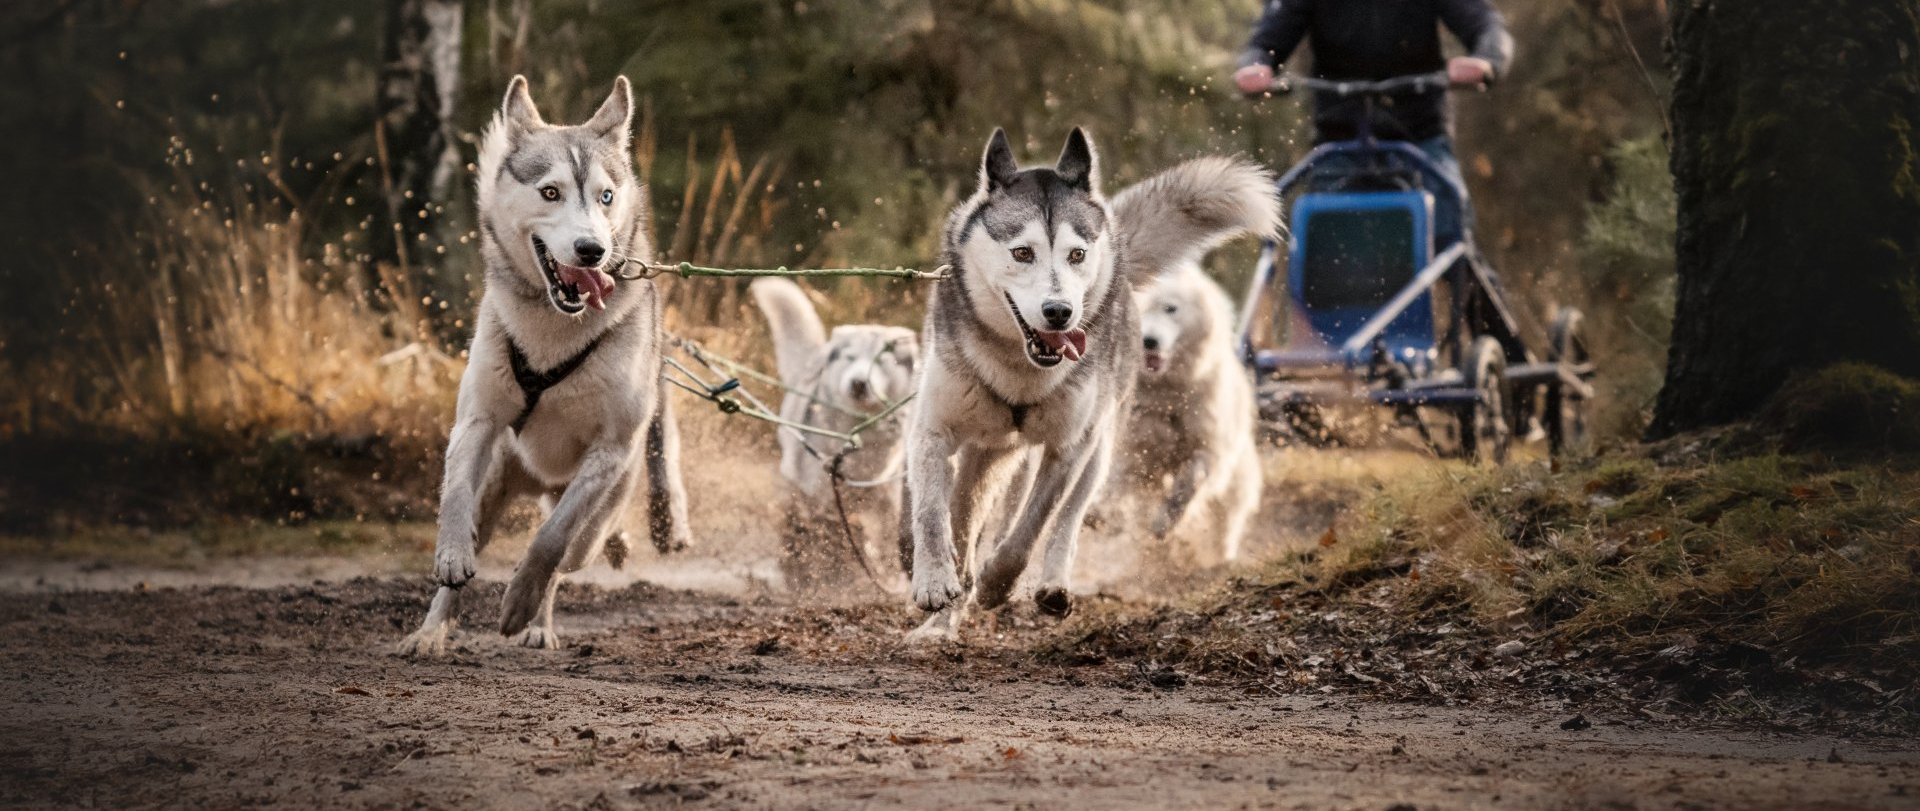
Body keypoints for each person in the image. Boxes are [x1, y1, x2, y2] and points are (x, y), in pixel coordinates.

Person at [1232, 0, 1513, 249]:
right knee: (1323, 245)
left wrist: (1487, 60)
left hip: (1419, 133)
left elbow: (1486, 25)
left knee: (1452, 236)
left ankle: (1470, 304)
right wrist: (1257, 66)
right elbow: (1266, 41)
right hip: (1339, 139)